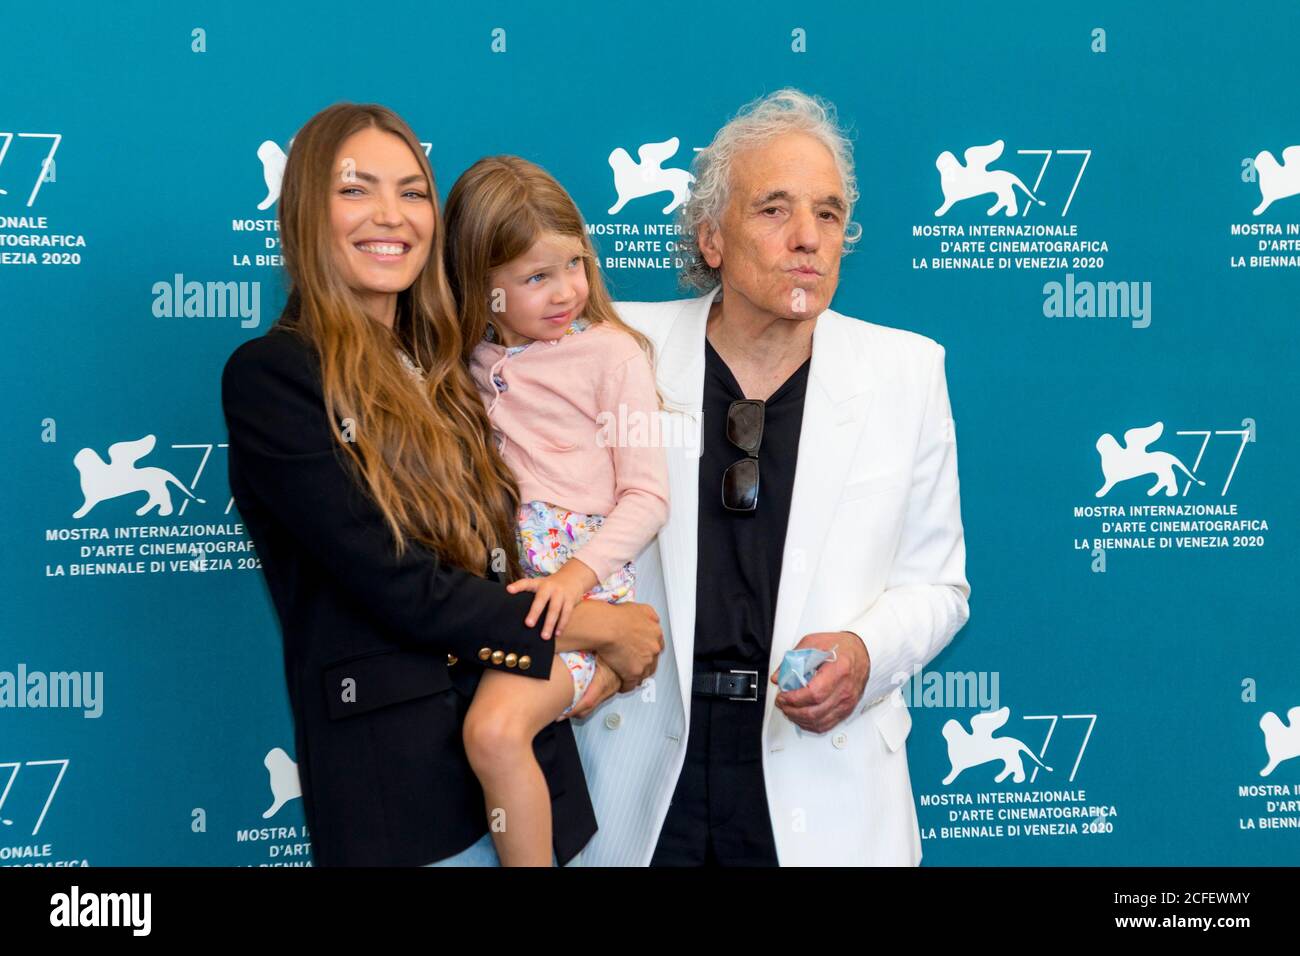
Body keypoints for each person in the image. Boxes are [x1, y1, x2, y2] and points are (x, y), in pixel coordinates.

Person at [219, 102, 662, 867]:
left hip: (535, 775)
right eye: (356, 189)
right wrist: (595, 628)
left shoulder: (459, 371)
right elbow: (396, 585)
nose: (390, 215)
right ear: (302, 212)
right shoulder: (275, 379)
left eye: (413, 191)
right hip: (404, 798)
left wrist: (590, 638)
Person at [570, 88, 971, 865]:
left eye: (829, 214)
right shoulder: (621, 349)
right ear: (711, 238)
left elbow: (938, 587)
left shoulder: (907, 371)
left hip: (823, 779)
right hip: (639, 770)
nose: (808, 239)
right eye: (774, 210)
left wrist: (862, 651)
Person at [440, 155, 669, 866]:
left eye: (574, 263)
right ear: (483, 286)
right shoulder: (465, 361)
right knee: (487, 732)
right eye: (536, 277)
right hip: (501, 586)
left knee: (494, 732)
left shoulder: (612, 356)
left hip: (578, 586)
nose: (567, 290)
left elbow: (648, 495)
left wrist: (574, 582)